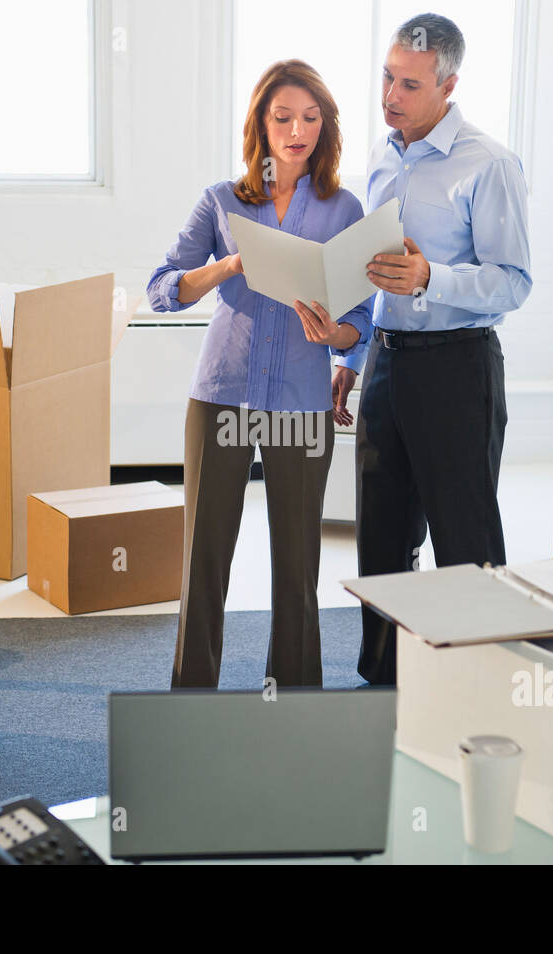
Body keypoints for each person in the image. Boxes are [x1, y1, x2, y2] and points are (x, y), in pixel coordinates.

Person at [147, 59, 373, 689]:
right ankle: (191, 702)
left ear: (325, 125)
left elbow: (364, 319)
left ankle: (295, 699)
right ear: (261, 124)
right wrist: (229, 266)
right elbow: (163, 289)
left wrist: (337, 338)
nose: (296, 130)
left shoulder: (344, 207)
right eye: (283, 117)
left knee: (297, 559)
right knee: (204, 555)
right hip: (221, 393)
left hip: (302, 401)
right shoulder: (222, 200)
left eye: (310, 117)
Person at [332, 14, 533, 685]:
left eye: (408, 84)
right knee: (381, 535)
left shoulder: (490, 164)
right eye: (387, 77)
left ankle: (480, 681)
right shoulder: (381, 157)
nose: (389, 95)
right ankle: (385, 677)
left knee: (464, 539)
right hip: (387, 362)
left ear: (448, 85)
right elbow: (371, 267)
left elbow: (513, 283)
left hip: (457, 367)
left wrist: (432, 277)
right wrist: (353, 359)